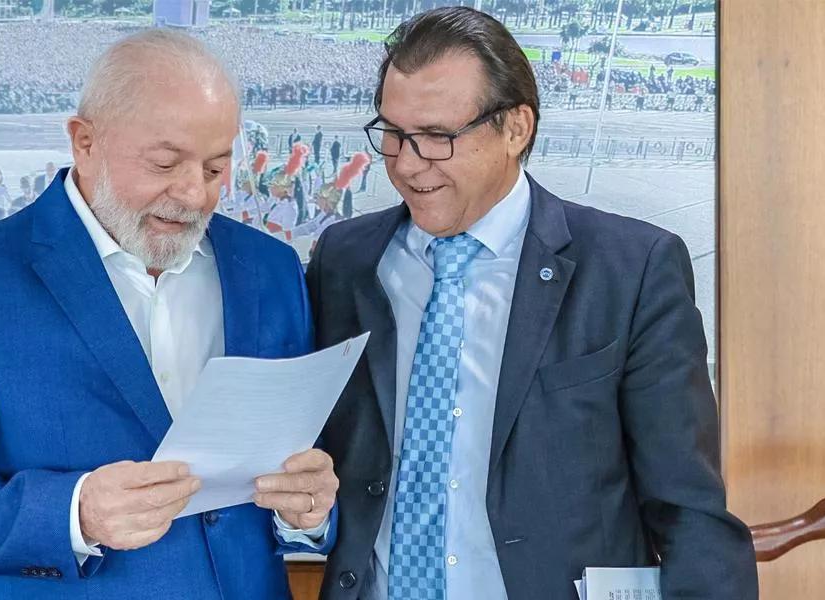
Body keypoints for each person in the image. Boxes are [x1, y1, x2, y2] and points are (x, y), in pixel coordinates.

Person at [0, 30, 339, 599]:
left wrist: (307, 511)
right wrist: (76, 513)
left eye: (216, 169)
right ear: (84, 141)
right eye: (165, 164)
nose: (194, 194)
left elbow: (294, 468)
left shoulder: (272, 268)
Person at [308, 8, 757, 600]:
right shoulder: (347, 258)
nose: (408, 163)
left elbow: (688, 508)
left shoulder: (631, 269)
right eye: (393, 133)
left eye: (438, 138)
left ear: (516, 129)